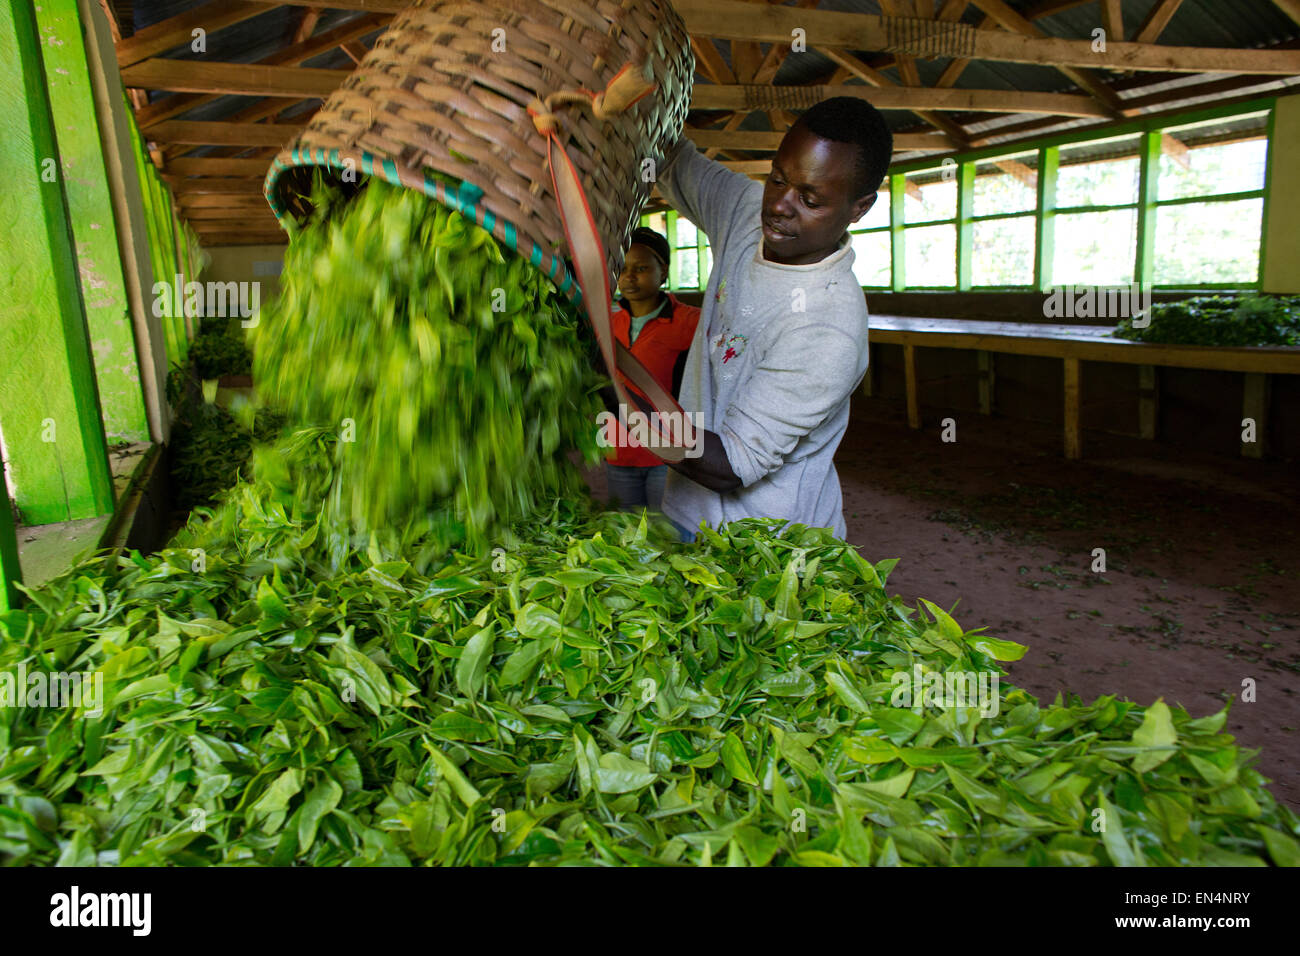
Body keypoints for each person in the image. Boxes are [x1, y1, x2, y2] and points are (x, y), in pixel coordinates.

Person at [647, 96, 893, 542]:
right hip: (685, 509)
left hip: (767, 548)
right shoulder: (747, 215)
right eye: (778, 180)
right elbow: (670, 156)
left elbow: (730, 466)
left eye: (810, 199)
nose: (780, 205)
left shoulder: (828, 325)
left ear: (859, 208)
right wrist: (628, 109)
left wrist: (610, 390)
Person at [599, 227, 701, 512]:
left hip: (668, 453)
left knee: (669, 533)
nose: (629, 277)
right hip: (617, 448)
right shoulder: (604, 320)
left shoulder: (690, 322)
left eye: (641, 268)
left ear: (663, 272)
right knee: (629, 536)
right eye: (622, 268)